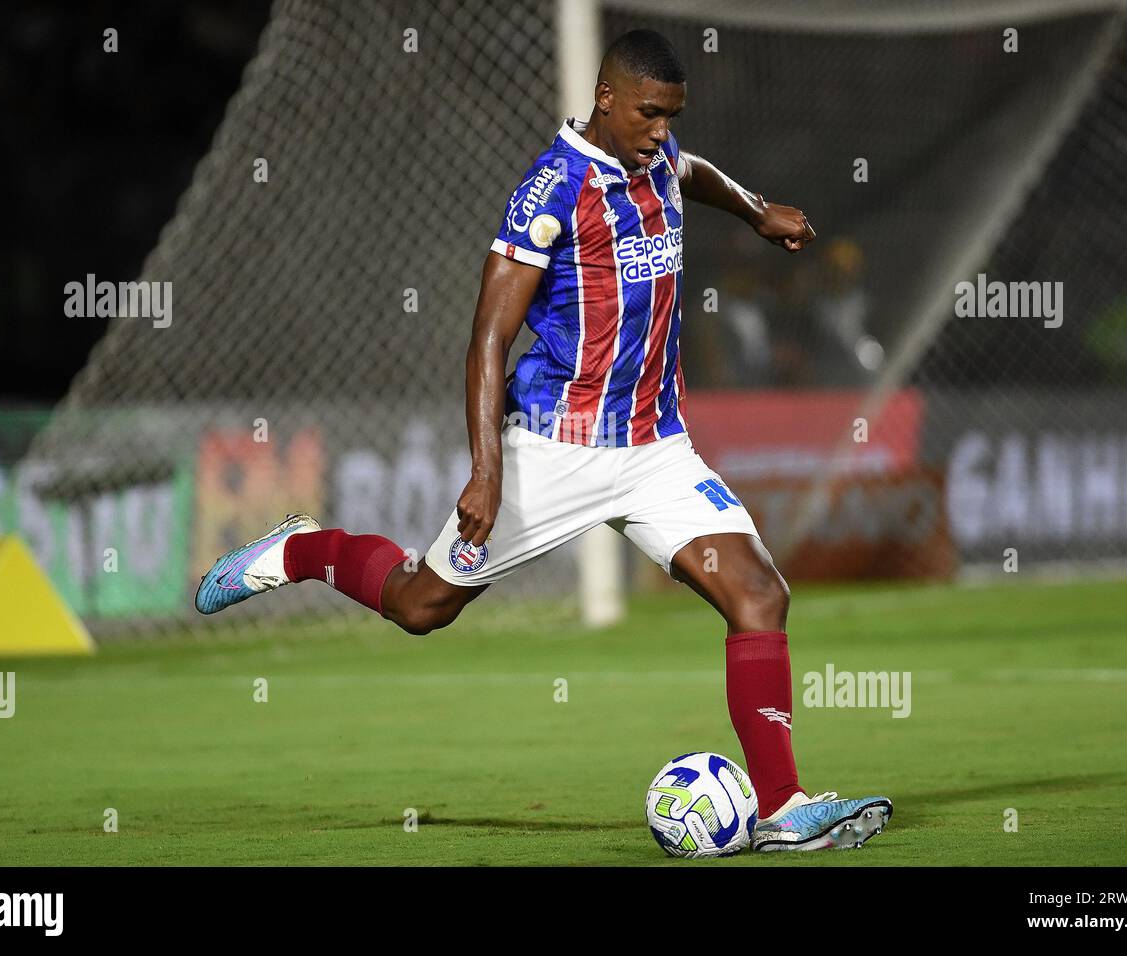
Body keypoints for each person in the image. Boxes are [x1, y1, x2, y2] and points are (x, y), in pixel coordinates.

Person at [195, 29, 891, 852]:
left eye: (672, 117)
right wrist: (487, 473)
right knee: (421, 607)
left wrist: (754, 210)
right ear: (606, 99)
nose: (663, 131)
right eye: (649, 114)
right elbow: (488, 338)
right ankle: (307, 549)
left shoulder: (658, 158)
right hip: (552, 452)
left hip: (656, 449)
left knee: (759, 595)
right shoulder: (550, 190)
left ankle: (781, 806)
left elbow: (692, 172)